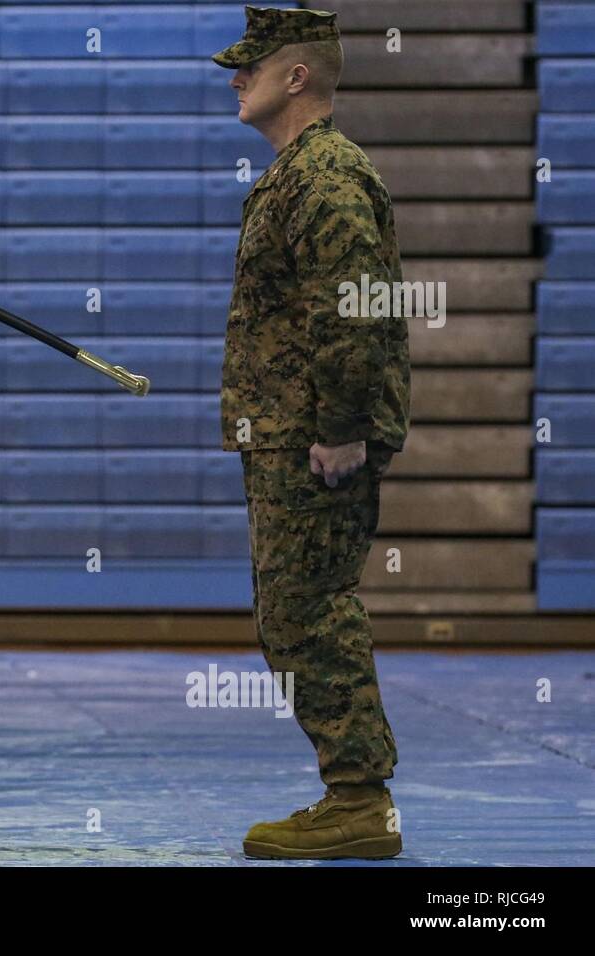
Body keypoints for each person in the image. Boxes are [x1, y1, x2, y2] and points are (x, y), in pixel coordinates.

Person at [212, 7, 412, 859]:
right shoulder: (299, 172)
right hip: (289, 434)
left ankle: (359, 802)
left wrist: (338, 429)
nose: (236, 79)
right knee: (294, 614)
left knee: (309, 614)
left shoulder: (325, 174)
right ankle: (352, 794)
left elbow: (353, 313)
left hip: (313, 440)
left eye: (250, 66)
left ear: (296, 76)